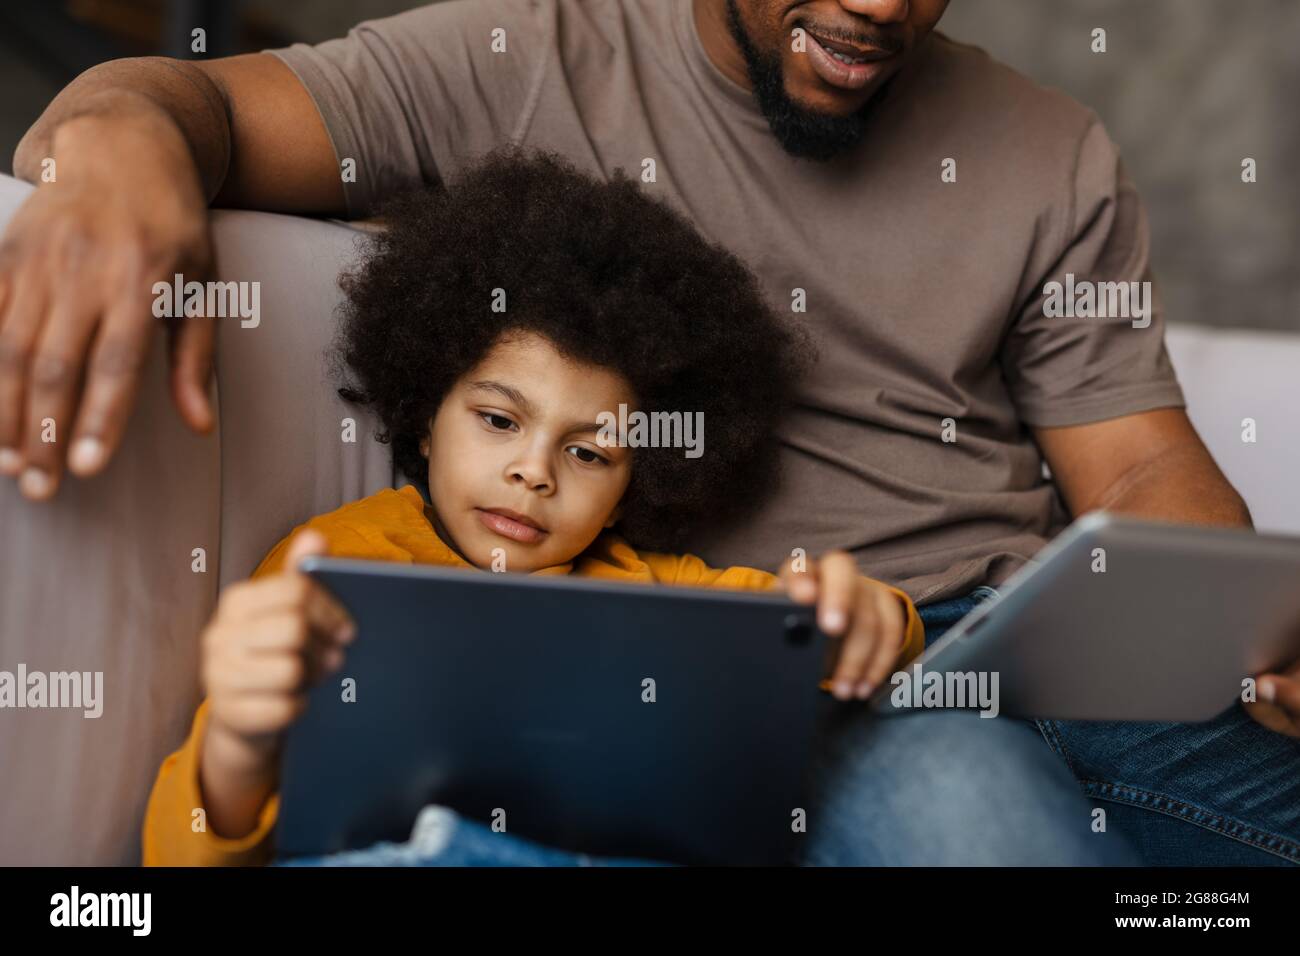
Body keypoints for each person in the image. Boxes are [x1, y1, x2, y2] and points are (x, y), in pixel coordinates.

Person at [7, 0, 1297, 863]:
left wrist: (1238, 636)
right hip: (802, 679)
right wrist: (116, 148)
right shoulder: (528, 53)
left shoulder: (1051, 149)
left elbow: (1134, 462)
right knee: (978, 818)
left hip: (1044, 638)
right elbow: (200, 106)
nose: (878, 4)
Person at [142, 149, 925, 865]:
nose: (534, 473)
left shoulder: (666, 592)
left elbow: (825, 633)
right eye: (499, 420)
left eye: (589, 453)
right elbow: (183, 855)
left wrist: (855, 618)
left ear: (632, 490)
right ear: (423, 413)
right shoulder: (337, 567)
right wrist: (242, 743)